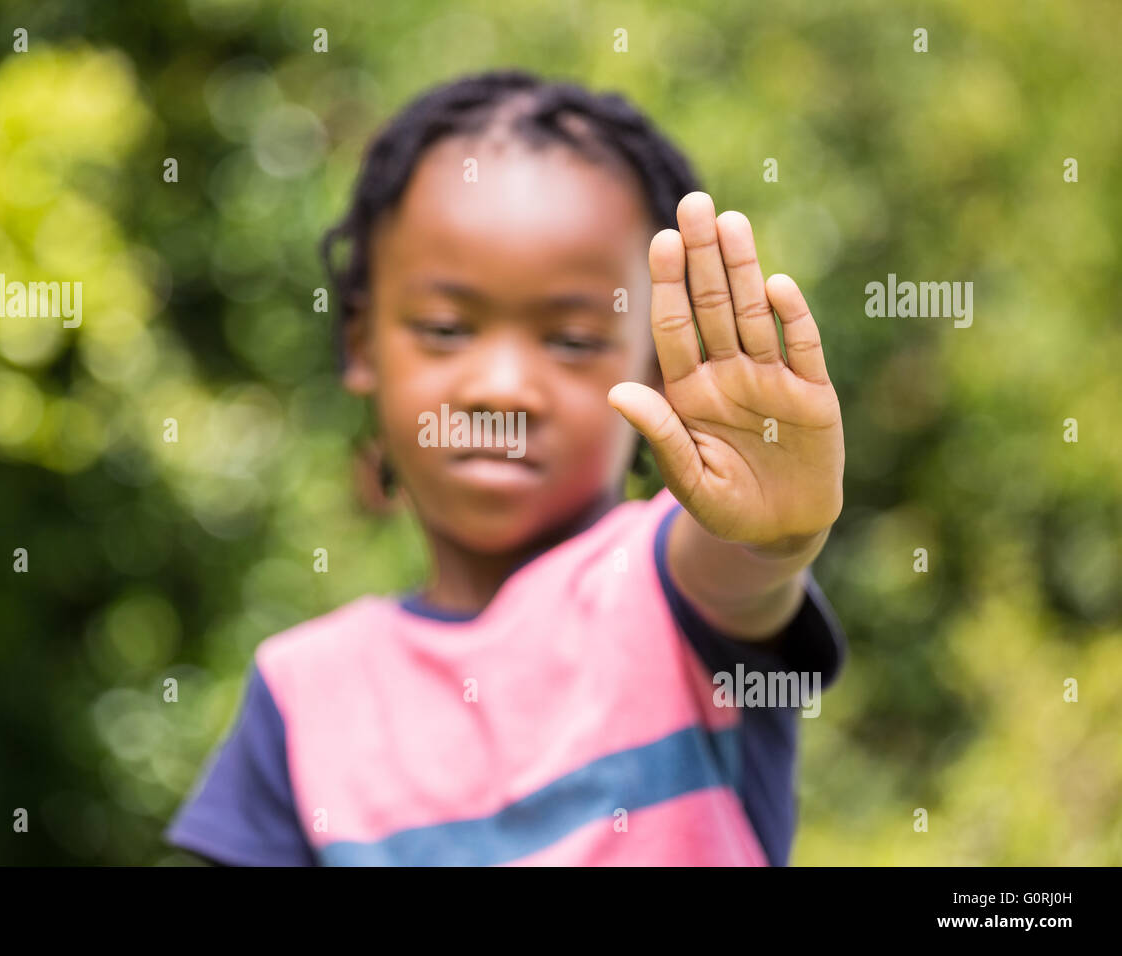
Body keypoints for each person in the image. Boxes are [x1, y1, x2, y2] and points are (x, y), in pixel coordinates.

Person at [165, 68, 847, 866]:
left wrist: (781, 533)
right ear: (360, 340)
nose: (502, 389)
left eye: (572, 339)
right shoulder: (303, 697)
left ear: (659, 365)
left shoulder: (667, 585)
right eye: (447, 328)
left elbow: (743, 568)